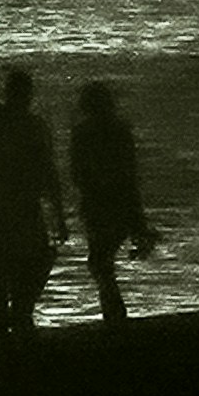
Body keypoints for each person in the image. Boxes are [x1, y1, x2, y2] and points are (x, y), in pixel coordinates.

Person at [0, 70, 66, 341]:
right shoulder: (33, 127)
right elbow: (48, 174)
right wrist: (59, 214)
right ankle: (20, 349)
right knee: (23, 292)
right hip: (23, 216)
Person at [68, 81, 152, 328]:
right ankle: (114, 316)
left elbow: (77, 173)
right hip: (121, 202)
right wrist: (138, 216)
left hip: (97, 204)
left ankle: (114, 318)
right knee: (102, 262)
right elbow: (130, 173)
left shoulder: (83, 133)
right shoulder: (120, 130)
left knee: (99, 262)